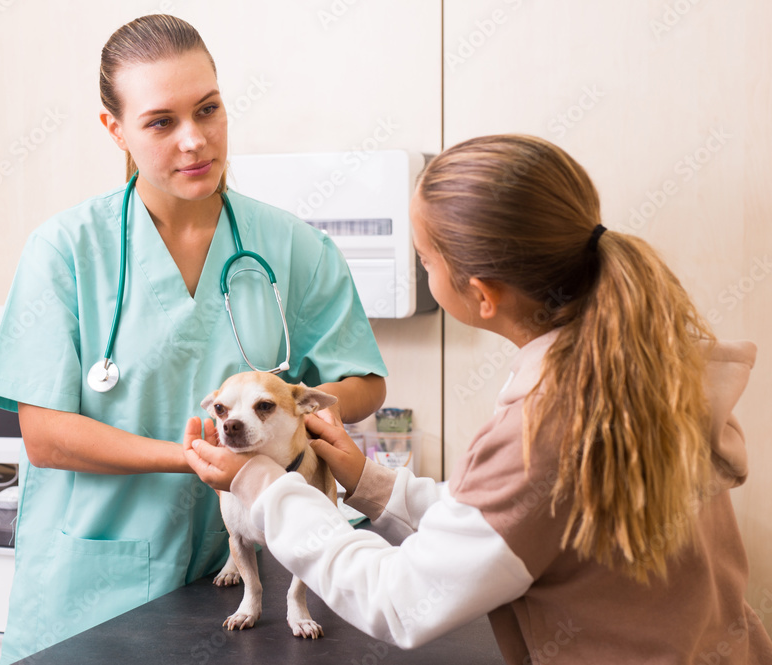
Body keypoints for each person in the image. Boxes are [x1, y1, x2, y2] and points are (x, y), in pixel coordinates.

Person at [185, 134, 772, 663]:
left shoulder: (548, 425)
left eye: (425, 260)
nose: (424, 271)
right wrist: (369, 479)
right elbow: (506, 518)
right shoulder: (638, 368)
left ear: (482, 295)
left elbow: (399, 603)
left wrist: (265, 486)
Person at [0, 14, 387, 664]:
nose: (195, 140)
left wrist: (293, 410)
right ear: (116, 130)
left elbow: (363, 379)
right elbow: (46, 435)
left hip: (240, 580)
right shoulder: (66, 251)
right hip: (92, 586)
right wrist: (197, 455)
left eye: (209, 109)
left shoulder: (290, 245)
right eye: (161, 121)